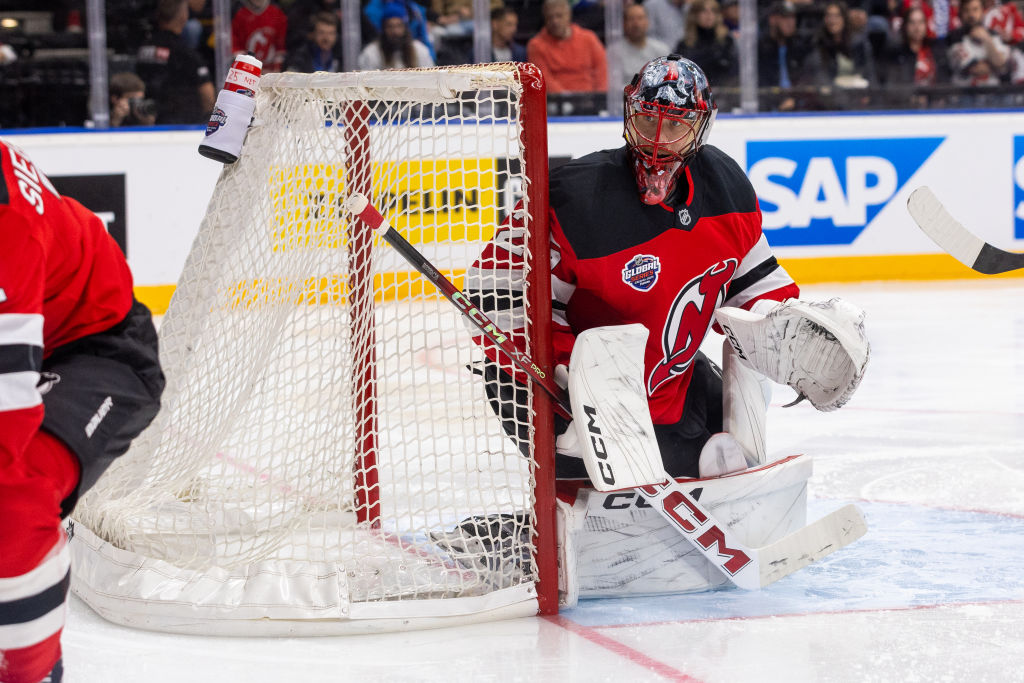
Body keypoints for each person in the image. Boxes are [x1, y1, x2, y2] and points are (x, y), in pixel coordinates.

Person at [454, 56, 867, 587]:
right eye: (648, 118)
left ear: (701, 124)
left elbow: (755, 287)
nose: (657, 139)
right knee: (614, 480)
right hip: (548, 388)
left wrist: (783, 329)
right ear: (629, 112)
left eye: (675, 124)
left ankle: (615, 503)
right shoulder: (577, 198)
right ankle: (544, 525)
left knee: (728, 461)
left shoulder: (727, 189)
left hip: (662, 381)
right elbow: (495, 293)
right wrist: (569, 381)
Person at [0, 139, 165, 683]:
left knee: (12, 495)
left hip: (99, 352)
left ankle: (30, 672)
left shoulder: (6, 225)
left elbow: (6, 428)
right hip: (41, 334)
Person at [135, 0, 215, 124]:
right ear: (184, 15)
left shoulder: (143, 48)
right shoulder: (185, 54)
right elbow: (207, 96)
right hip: (181, 124)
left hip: (148, 119)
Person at [526, 0, 607, 95]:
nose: (555, 21)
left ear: (569, 15)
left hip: (591, 99)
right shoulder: (535, 45)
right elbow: (544, 79)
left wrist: (599, 98)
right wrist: (568, 101)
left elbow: (602, 71)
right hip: (557, 102)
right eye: (550, 17)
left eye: (559, 16)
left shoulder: (589, 38)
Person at [805, 0, 880, 89]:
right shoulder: (820, 44)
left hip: (859, 93)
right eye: (829, 16)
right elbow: (821, 77)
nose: (832, 20)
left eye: (837, 16)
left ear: (844, 18)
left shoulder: (859, 43)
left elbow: (870, 74)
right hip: (833, 95)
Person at [757, 1, 813, 110]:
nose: (790, 22)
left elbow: (807, 80)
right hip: (767, 108)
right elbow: (761, 84)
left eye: (793, 18)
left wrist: (795, 100)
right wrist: (779, 101)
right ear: (772, 19)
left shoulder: (801, 47)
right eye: (785, 17)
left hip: (797, 106)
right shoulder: (761, 50)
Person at [883, 5, 951, 90]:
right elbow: (893, 86)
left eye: (921, 22)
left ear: (926, 25)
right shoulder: (896, 55)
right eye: (912, 22)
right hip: (906, 101)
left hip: (934, 100)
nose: (917, 27)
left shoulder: (936, 50)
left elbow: (945, 81)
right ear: (905, 26)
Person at [674, 0, 738, 87]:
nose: (709, 15)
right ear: (694, 15)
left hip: (723, 92)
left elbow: (733, 71)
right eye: (704, 11)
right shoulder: (684, 44)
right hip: (694, 92)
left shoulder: (726, 41)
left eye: (713, 11)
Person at [606, 3, 671, 88]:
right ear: (624, 24)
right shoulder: (613, 52)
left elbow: (668, 82)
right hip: (625, 99)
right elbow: (613, 87)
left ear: (647, 22)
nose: (636, 24)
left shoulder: (662, 50)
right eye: (631, 19)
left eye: (640, 18)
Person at [948, 0, 1012, 86]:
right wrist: (992, 66)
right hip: (964, 93)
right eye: (966, 10)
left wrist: (986, 39)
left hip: (994, 92)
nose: (971, 15)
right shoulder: (954, 37)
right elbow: (973, 68)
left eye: (975, 9)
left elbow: (1001, 63)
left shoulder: (993, 35)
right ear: (960, 14)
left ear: (982, 11)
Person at [358, 1, 436, 69]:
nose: (395, 31)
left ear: (405, 27)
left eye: (399, 26)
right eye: (390, 26)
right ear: (383, 29)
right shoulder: (371, 53)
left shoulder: (420, 50)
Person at [232, 0, 289, 73]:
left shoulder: (277, 13)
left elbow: (281, 48)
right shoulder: (239, 14)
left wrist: (276, 70)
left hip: (271, 72)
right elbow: (235, 47)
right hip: (246, 72)